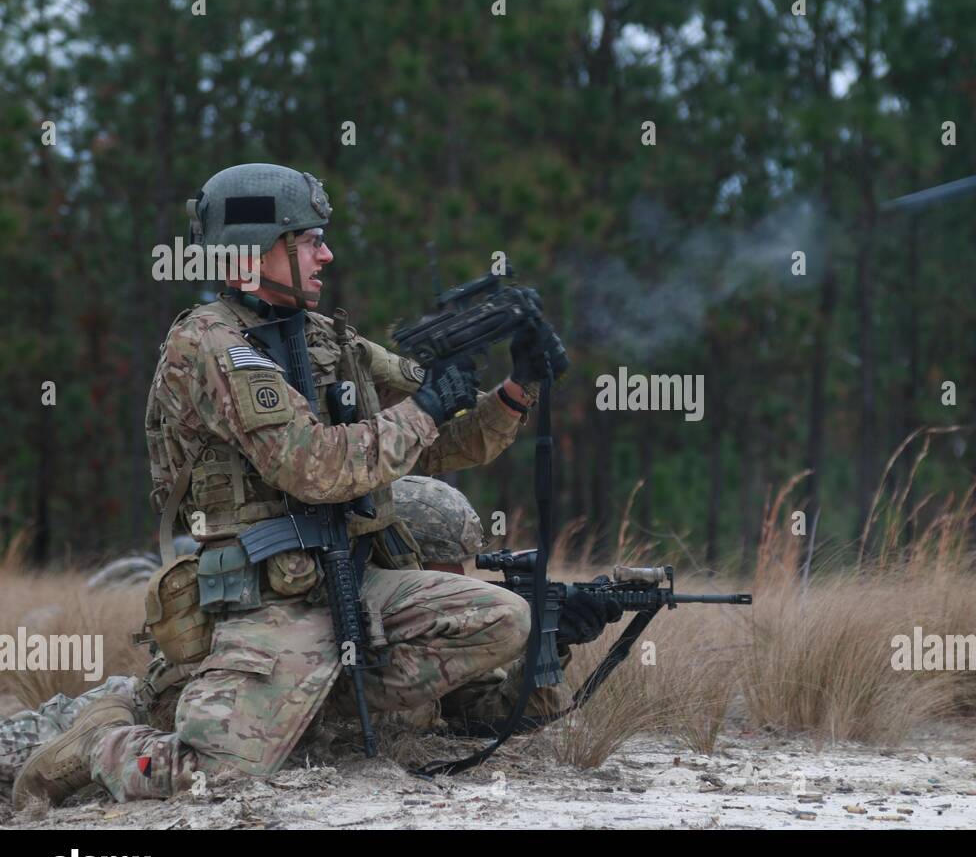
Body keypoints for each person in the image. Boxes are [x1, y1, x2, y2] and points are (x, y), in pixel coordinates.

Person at [11, 163, 602, 810]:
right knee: (212, 779)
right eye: (309, 239)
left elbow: (449, 440)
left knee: (501, 618)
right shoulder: (208, 343)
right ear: (253, 252)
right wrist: (426, 408)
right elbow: (313, 468)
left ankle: (320, 717)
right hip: (262, 600)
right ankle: (98, 742)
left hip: (348, 574)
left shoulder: (327, 338)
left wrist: (516, 390)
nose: (327, 253)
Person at [2, 476, 572, 805]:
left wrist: (549, 652)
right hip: (146, 710)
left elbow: (485, 717)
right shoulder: (316, 612)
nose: (459, 583)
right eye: (448, 568)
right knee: (13, 747)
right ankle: (94, 740)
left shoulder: (426, 632)